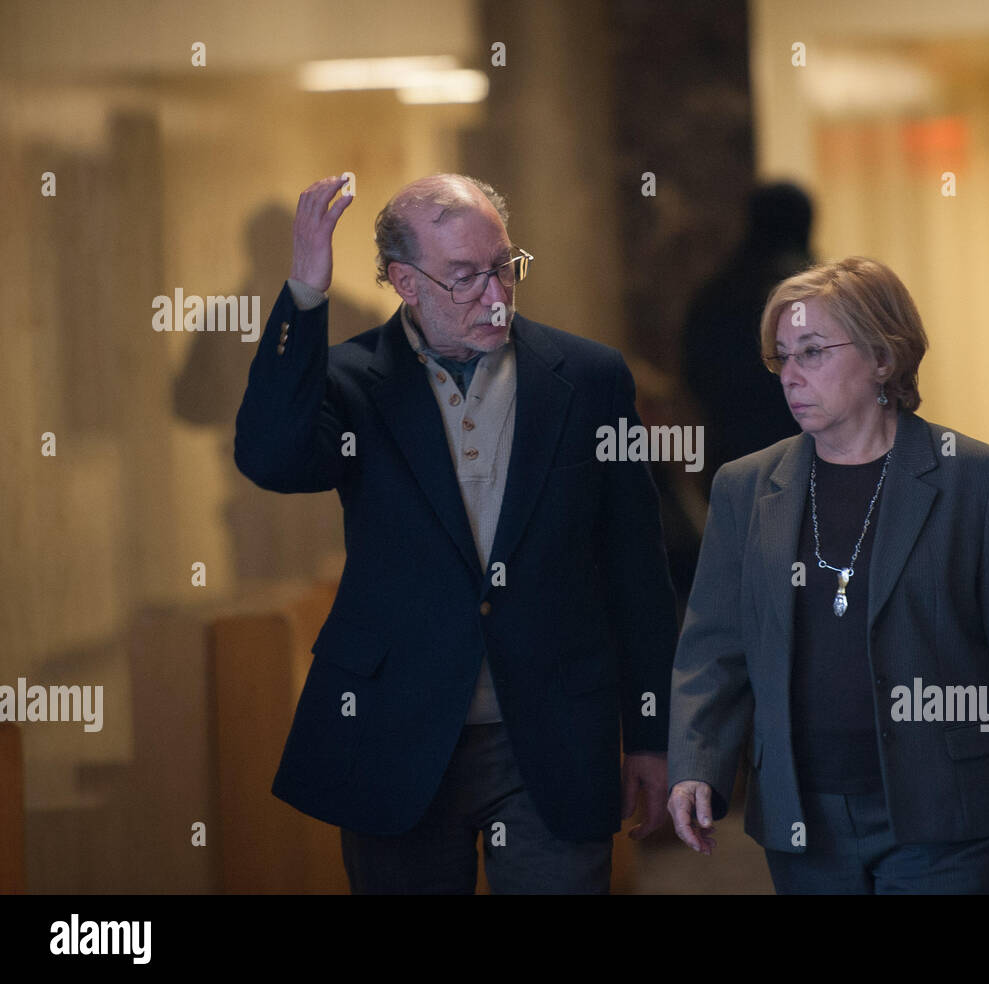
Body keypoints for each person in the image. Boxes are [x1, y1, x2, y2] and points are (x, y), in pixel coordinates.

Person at [234, 174, 678, 893]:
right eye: (466, 277)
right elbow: (270, 458)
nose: (496, 294)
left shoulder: (591, 378)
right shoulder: (352, 382)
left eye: (505, 267)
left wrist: (654, 733)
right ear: (405, 282)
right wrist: (306, 295)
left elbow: (636, 566)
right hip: (398, 733)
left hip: (555, 734)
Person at [666, 256, 989, 893]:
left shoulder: (974, 479)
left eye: (814, 352)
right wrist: (696, 766)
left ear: (883, 358)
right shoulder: (746, 488)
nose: (792, 375)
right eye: (782, 356)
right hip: (803, 814)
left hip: (947, 806)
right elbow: (715, 647)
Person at [680, 182, 811, 490]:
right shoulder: (820, 294)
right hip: (810, 455)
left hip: (733, 456)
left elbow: (695, 375)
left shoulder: (717, 294)